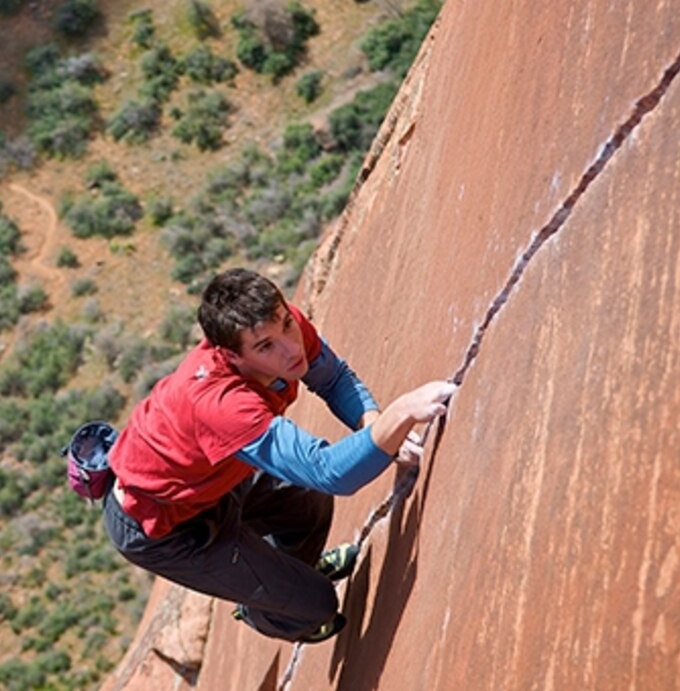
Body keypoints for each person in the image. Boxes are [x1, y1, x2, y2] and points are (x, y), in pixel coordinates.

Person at [103, 268, 456, 643]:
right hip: (166, 524)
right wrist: (400, 415)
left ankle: (290, 574)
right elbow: (331, 472)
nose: (291, 347)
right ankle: (263, 609)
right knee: (317, 605)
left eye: (287, 326)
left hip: (210, 474)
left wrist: (376, 424)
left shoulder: (273, 321)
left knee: (307, 500)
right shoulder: (222, 405)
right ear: (232, 356)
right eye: (265, 347)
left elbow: (332, 378)